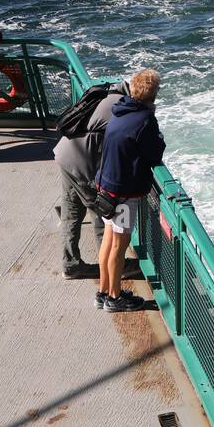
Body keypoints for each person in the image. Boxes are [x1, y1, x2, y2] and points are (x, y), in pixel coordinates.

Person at [95, 68, 165, 313]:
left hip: (105, 189)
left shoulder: (120, 110)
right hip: (123, 197)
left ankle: (103, 291)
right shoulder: (144, 120)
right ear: (152, 95)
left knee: (108, 240)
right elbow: (155, 152)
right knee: (119, 246)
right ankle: (114, 298)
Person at [53, 79, 139, 279]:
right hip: (83, 162)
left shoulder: (106, 93)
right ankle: (112, 267)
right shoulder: (123, 107)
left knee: (71, 212)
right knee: (102, 213)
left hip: (66, 155)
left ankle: (71, 264)